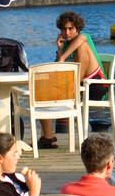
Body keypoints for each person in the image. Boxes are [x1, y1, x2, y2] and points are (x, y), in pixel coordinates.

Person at [38, 11, 103, 148]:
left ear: (77, 29)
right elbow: (57, 71)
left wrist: (63, 57)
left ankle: (75, 86)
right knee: (41, 91)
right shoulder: (66, 45)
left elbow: (80, 41)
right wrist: (60, 50)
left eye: (70, 29)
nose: (66, 32)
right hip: (74, 88)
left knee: (82, 47)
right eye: (63, 29)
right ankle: (49, 138)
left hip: (95, 86)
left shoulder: (84, 37)